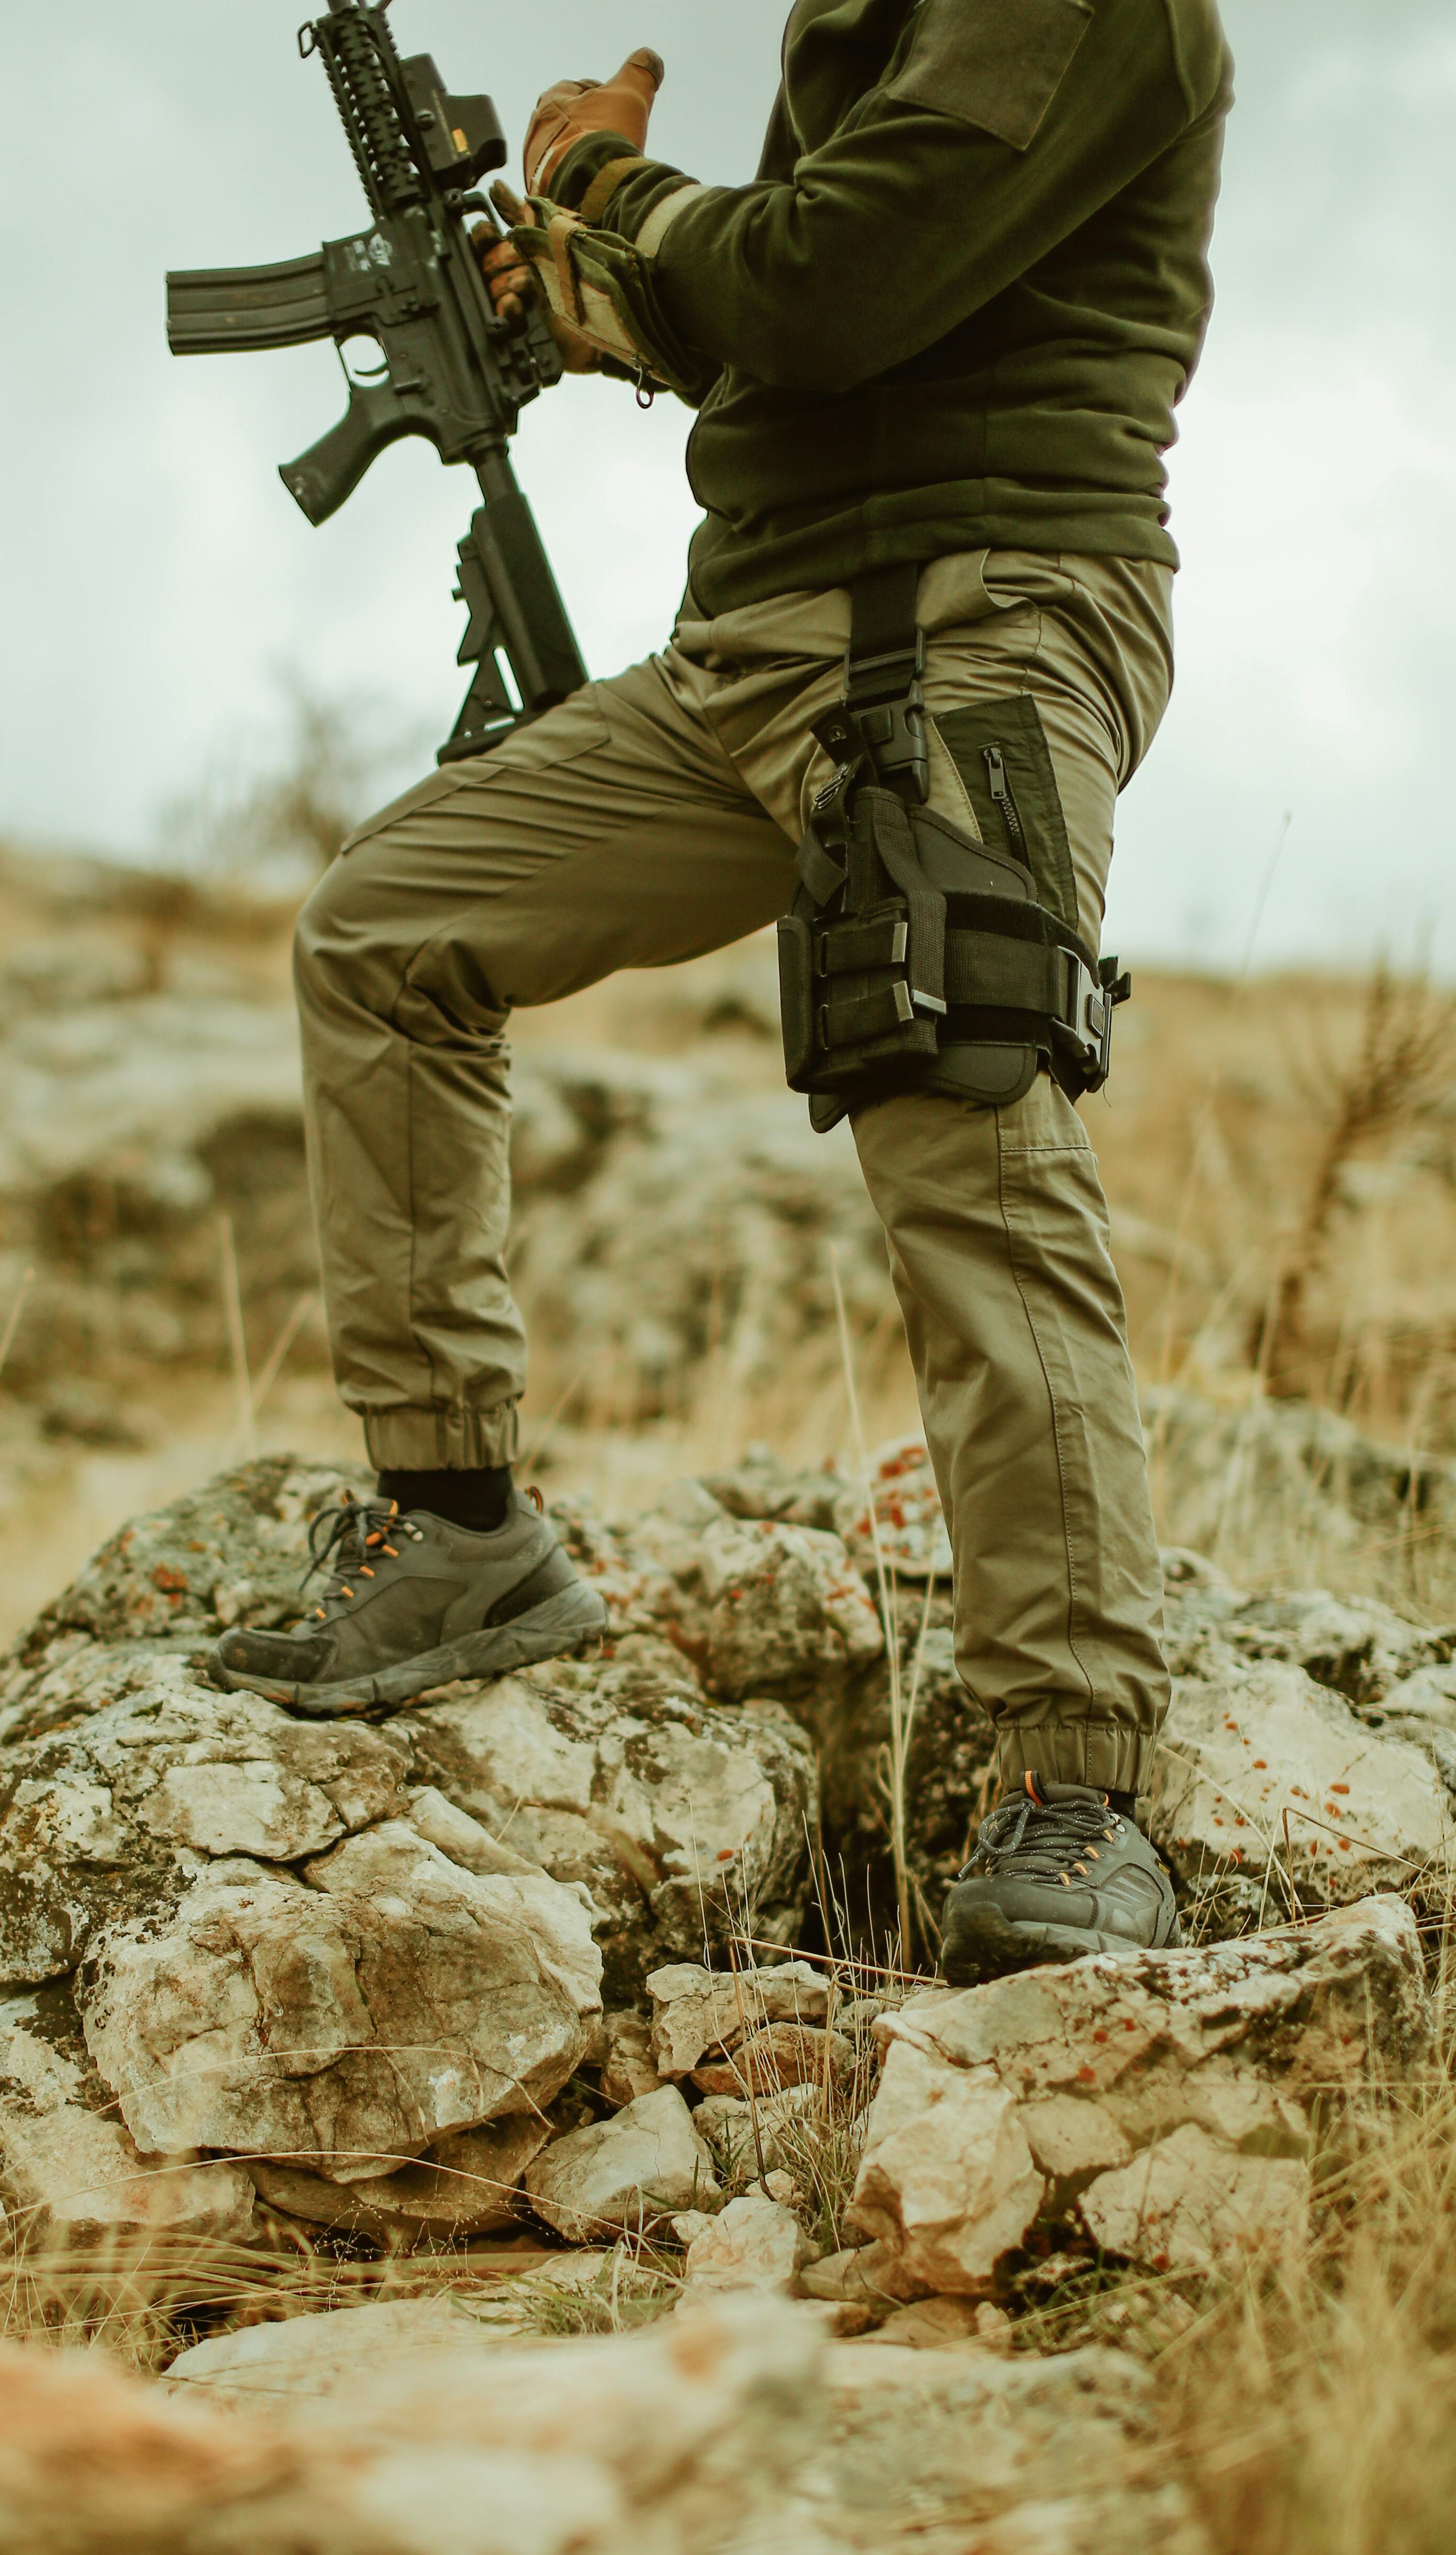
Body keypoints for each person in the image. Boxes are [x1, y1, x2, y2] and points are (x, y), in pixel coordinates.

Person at [216, 0, 1233, 1985]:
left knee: (966, 1130)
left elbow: (828, 287)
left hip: (986, 610)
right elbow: (774, 314)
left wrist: (607, 185)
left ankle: (1080, 1788)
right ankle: (457, 1529)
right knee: (386, 928)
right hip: (752, 645)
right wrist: (595, 282)